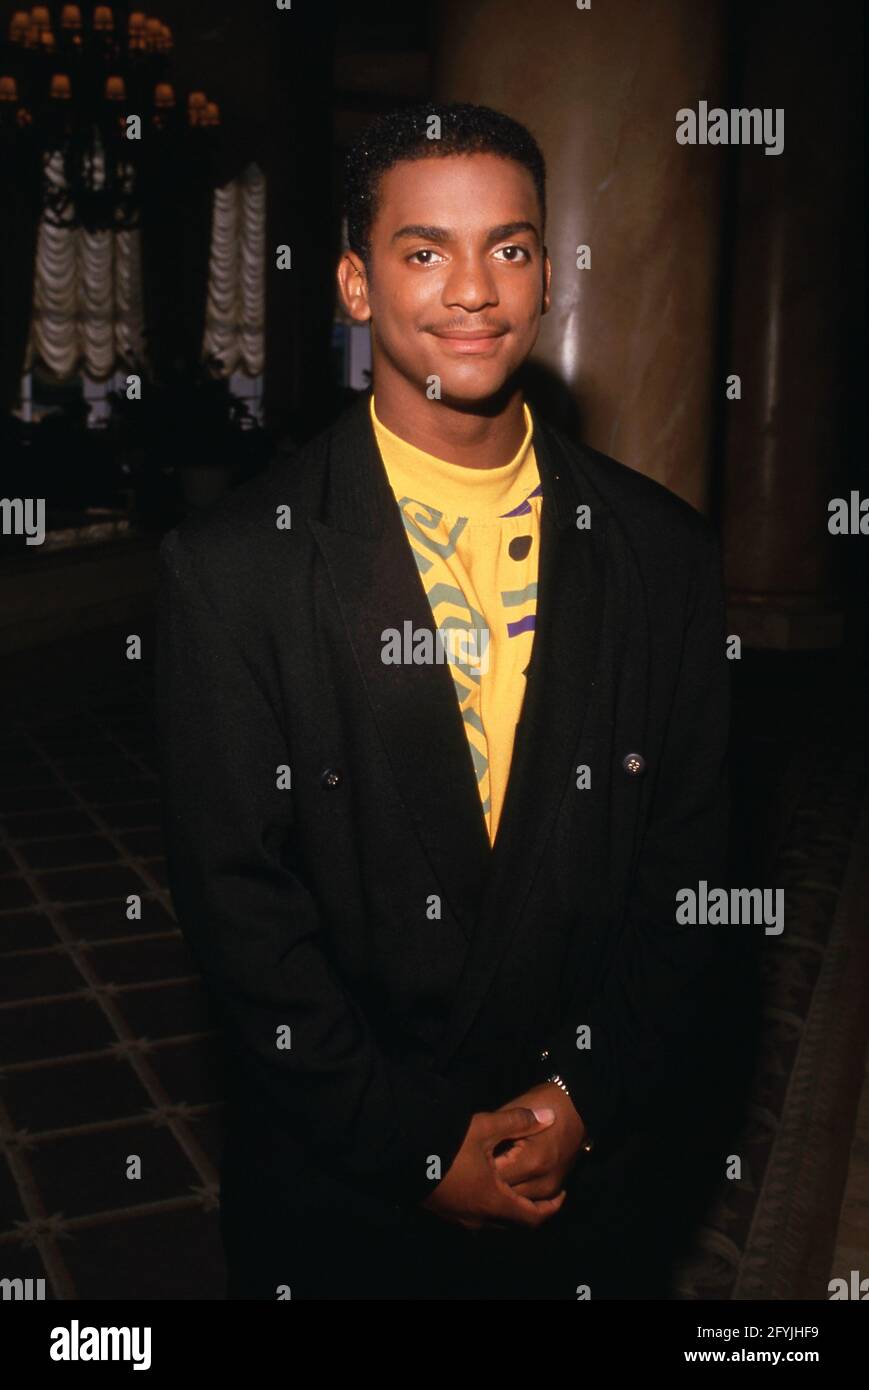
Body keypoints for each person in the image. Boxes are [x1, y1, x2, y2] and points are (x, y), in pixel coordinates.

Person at [156, 102, 741, 1300]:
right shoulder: (234, 568)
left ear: (543, 277)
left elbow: (688, 869)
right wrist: (415, 1147)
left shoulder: (660, 552)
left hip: (585, 1183)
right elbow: (242, 915)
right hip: (347, 1198)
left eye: (509, 247)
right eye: (424, 250)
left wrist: (585, 1092)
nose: (472, 289)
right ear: (355, 286)